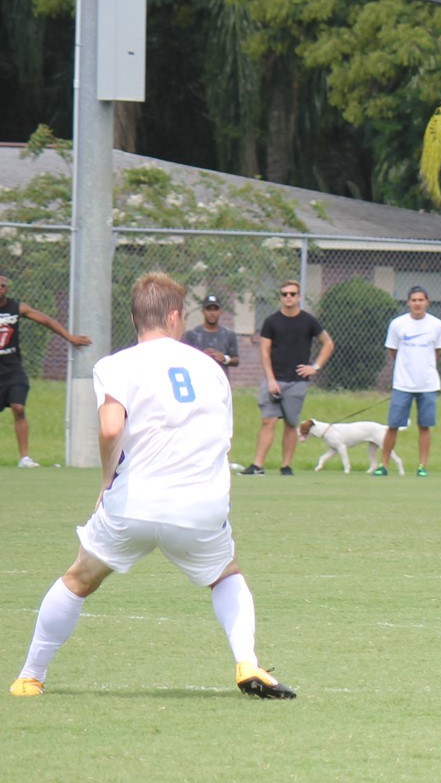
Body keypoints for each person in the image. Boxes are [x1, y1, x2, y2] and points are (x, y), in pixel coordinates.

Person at [9, 271, 294, 699]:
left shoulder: (116, 364)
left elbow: (110, 430)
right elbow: (221, 438)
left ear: (135, 318)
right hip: (202, 507)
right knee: (226, 574)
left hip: (135, 503)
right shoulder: (211, 369)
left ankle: (30, 676)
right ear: (176, 317)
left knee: (78, 579)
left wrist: (107, 479)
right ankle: (247, 661)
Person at [0, 271, 93, 468]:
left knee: (18, 408)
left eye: (3, 285)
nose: (1, 288)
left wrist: (69, 337)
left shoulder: (16, 307)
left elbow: (47, 320)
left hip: (12, 369)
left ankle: (24, 458)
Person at [247, 280, 334, 476]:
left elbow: (328, 343)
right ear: (280, 297)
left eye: (292, 294)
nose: (289, 297)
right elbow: (265, 351)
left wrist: (315, 367)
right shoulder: (271, 322)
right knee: (268, 421)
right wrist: (270, 379)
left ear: (298, 297)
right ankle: (257, 466)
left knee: (290, 423)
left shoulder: (308, 321)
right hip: (274, 380)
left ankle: (286, 466)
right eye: (285, 294)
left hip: (297, 381)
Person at [376, 286, 441, 478]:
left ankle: (422, 466)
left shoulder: (437, 325)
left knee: (424, 425)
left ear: (427, 302)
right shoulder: (398, 324)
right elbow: (394, 351)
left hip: (427, 384)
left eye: (421, 300)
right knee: (393, 425)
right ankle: (384, 465)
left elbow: (437, 352)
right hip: (402, 384)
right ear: (408, 302)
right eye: (413, 300)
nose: (417, 304)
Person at [181, 293, 241, 372]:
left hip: (220, 380)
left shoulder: (229, 335)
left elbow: (236, 360)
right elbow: (184, 359)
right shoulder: (192, 335)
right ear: (203, 311)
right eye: (209, 309)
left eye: (215, 309)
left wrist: (224, 358)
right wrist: (201, 356)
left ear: (220, 312)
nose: (212, 313)